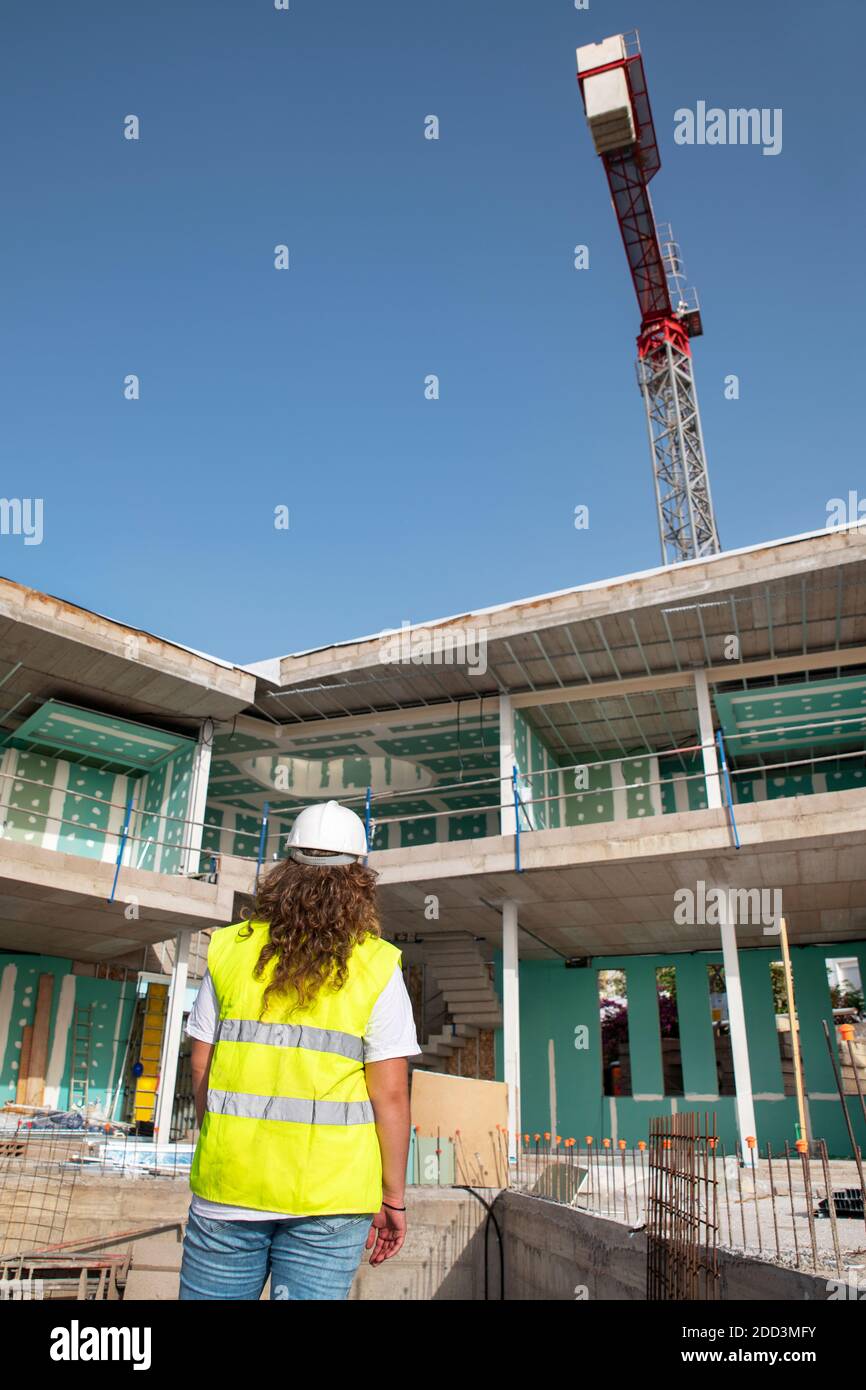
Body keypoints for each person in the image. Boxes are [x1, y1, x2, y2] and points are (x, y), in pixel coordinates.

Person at [179, 799, 421, 1300]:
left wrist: (226, 1139)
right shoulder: (377, 965)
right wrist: (392, 1197)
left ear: (285, 871)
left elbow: (201, 1063)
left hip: (229, 1189)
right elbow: (391, 1096)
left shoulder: (228, 948)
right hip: (331, 1198)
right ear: (359, 878)